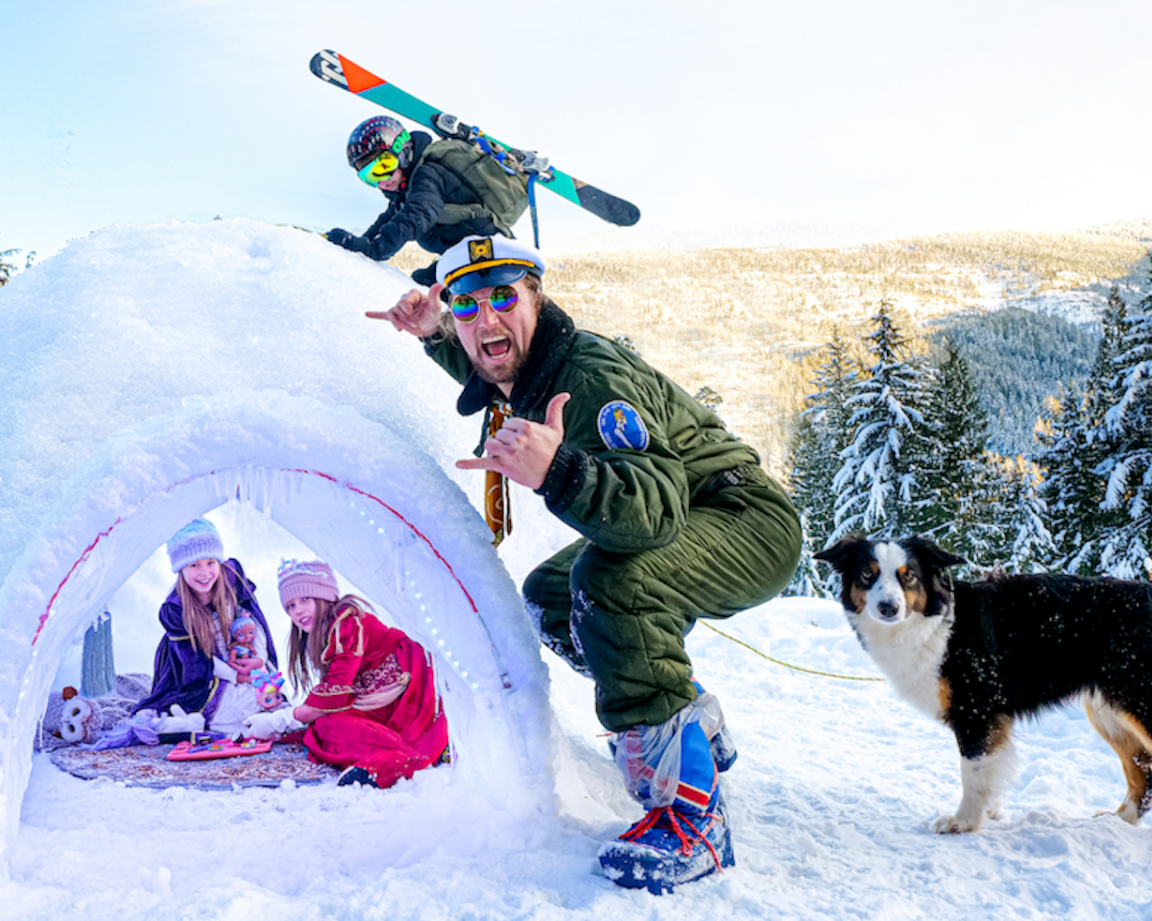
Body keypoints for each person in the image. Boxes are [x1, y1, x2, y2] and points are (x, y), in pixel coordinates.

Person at [367, 234, 803, 893]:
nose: (486, 318)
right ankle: (685, 723)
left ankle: (692, 813)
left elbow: (656, 511)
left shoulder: (590, 379)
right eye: (464, 304)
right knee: (549, 594)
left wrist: (558, 471)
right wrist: (433, 335)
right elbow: (490, 366)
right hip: (700, 510)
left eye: (503, 296)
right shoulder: (531, 365)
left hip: (743, 516)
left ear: (537, 299)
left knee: (611, 585)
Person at [242, 560, 450, 789]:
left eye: (305, 599)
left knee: (328, 726)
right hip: (377, 694)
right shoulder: (327, 630)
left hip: (407, 692)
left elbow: (333, 695)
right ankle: (391, 754)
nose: (298, 610)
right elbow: (331, 694)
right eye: (290, 606)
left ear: (324, 596)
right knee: (322, 728)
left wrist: (278, 720)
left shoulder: (347, 624)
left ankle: (393, 763)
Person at [325, 116, 528, 286]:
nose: (381, 182)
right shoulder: (404, 191)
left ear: (403, 152)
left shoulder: (427, 174)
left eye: (383, 167)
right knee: (420, 283)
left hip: (487, 252)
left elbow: (417, 215)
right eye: (370, 176)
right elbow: (386, 221)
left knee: (451, 294)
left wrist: (374, 250)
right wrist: (361, 244)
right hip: (464, 251)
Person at [135, 518, 280, 738]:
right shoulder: (176, 609)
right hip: (200, 671)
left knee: (270, 697)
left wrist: (257, 660)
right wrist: (237, 677)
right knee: (233, 712)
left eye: (210, 563)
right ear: (181, 568)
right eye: (194, 565)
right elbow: (197, 663)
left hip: (241, 655)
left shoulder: (231, 578)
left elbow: (253, 621)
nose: (205, 573)